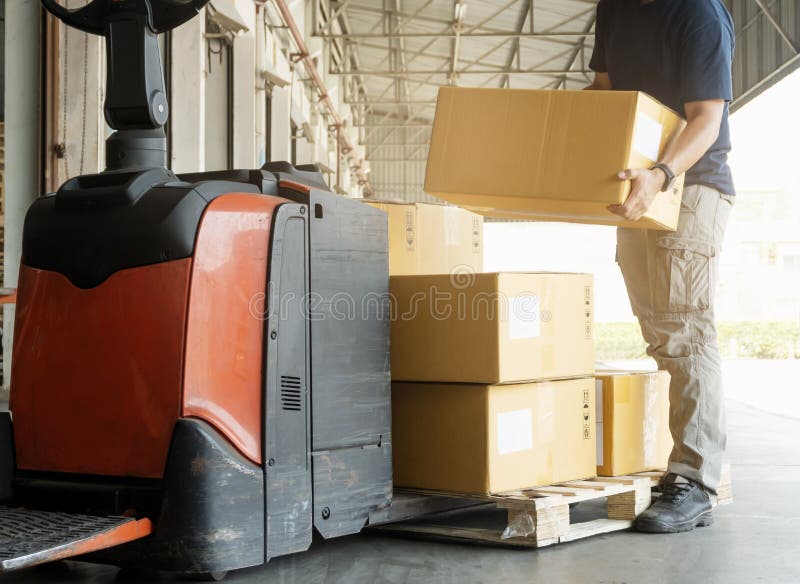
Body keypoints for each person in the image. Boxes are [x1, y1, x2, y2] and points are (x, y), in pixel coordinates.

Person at [587, 0, 736, 533]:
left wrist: (662, 174)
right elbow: (604, 92)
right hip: (638, 186)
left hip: (690, 186)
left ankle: (695, 481)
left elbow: (706, 118)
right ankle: (688, 465)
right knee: (660, 333)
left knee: (686, 331)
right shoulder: (614, 9)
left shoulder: (698, 13)